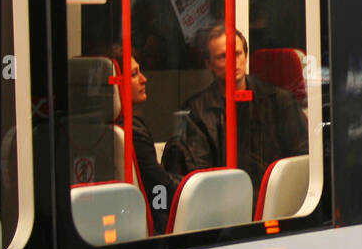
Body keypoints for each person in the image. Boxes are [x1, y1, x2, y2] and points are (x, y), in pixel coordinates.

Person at [162, 25, 307, 198]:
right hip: (222, 204)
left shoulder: (279, 101)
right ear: (209, 64)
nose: (233, 62)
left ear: (245, 56)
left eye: (237, 54)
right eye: (222, 57)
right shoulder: (196, 112)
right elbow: (200, 178)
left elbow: (300, 163)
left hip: (276, 201)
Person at [111, 47, 180, 234]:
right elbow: (159, 188)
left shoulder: (95, 131)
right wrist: (189, 192)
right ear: (115, 83)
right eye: (134, 74)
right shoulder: (131, 132)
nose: (144, 79)